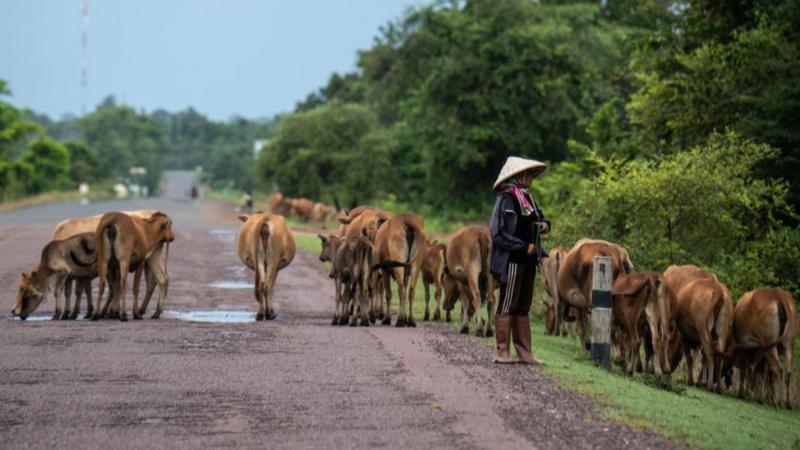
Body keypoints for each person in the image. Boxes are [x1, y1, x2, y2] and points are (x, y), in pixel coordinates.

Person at [489, 156, 550, 365]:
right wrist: (523, 246)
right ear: (519, 176)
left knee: (523, 306)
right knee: (507, 303)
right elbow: (497, 233)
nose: (531, 178)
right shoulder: (505, 199)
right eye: (528, 175)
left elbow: (541, 218)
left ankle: (525, 353)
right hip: (512, 259)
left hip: (529, 261)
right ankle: (502, 352)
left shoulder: (529, 199)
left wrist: (544, 225)